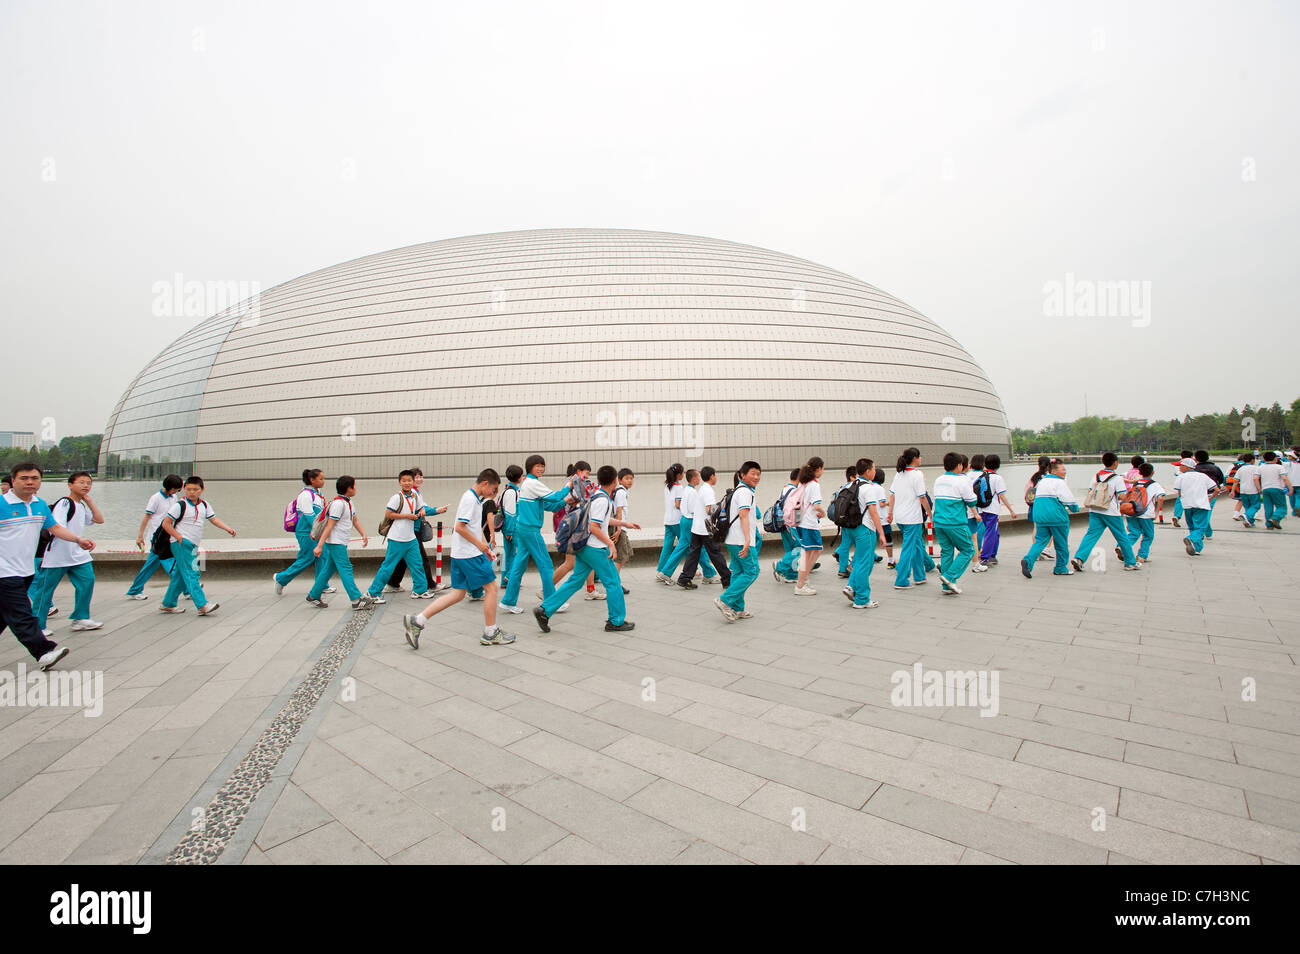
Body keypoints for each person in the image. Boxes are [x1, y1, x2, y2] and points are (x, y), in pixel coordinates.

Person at [404, 469, 518, 647]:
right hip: (469, 554)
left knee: (458, 594)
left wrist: (486, 547)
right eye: (494, 489)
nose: (494, 494)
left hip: (462, 553)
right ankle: (490, 632)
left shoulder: (474, 499)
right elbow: (460, 527)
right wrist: (480, 546)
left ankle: (417, 621)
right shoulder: (470, 500)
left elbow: (473, 528)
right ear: (485, 483)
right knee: (492, 589)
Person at [1, 463, 95, 670]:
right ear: (13, 480)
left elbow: (55, 527)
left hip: (25, 570)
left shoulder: (39, 505)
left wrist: (78, 539)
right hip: (4, 572)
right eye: (24, 478)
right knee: (21, 613)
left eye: (34, 478)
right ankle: (43, 652)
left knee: (3, 615)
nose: (29, 482)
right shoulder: (1, 504)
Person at [533, 465, 639, 634]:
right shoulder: (603, 499)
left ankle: (545, 610)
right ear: (615, 481)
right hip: (595, 548)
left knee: (574, 582)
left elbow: (602, 520)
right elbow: (595, 526)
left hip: (585, 547)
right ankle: (616, 621)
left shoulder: (597, 495)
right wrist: (610, 544)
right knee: (613, 583)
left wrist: (624, 523)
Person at [29, 471, 105, 632]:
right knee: (44, 591)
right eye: (81, 482)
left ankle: (81, 618)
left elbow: (99, 519)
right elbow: (57, 528)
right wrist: (78, 539)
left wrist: (89, 501)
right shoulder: (64, 503)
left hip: (78, 555)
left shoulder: (81, 505)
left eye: (88, 483)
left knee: (87, 582)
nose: (86, 486)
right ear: (70, 485)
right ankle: (38, 626)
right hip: (58, 555)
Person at [500, 455, 572, 614]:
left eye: (542, 466)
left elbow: (549, 504)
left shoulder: (527, 483)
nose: (540, 468)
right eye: (537, 466)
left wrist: (567, 500)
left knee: (518, 566)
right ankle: (552, 602)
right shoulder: (533, 483)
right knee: (546, 565)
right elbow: (554, 496)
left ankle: (508, 601)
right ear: (530, 467)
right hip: (531, 530)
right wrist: (569, 486)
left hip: (523, 529)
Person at [159, 476, 236, 616]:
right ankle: (202, 605)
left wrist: (227, 528)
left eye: (195, 489)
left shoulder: (204, 505)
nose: (192, 492)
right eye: (188, 489)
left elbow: (213, 519)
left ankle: (168, 604)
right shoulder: (179, 505)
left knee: (180, 575)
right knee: (192, 572)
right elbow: (166, 524)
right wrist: (179, 538)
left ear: (202, 490)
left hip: (193, 545)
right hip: (181, 544)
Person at [306, 475, 374, 609]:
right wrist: (319, 546)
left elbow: (355, 520)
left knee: (328, 569)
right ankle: (356, 599)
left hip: (340, 541)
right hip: (336, 542)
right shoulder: (338, 504)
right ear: (349, 488)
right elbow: (329, 526)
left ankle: (313, 595)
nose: (355, 488)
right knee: (346, 568)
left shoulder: (348, 502)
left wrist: (363, 534)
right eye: (354, 486)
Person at [366, 470, 435, 602]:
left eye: (409, 480)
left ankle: (420, 590)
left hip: (410, 538)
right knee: (388, 566)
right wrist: (407, 516)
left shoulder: (415, 495)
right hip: (397, 538)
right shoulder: (396, 497)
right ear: (400, 482)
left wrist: (420, 512)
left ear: (412, 482)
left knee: (417, 564)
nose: (407, 483)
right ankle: (373, 592)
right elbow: (388, 514)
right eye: (404, 481)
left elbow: (421, 508)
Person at [1071, 452, 1139, 572]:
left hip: (1095, 510)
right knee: (1122, 537)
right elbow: (1122, 496)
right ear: (1115, 463)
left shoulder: (1096, 476)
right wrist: (1131, 493)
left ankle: (1079, 558)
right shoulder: (1117, 478)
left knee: (1091, 535)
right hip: (1111, 512)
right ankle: (1130, 563)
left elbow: (1091, 491)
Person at [385, 467, 448, 597]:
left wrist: (435, 510)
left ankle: (393, 583)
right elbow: (421, 510)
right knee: (421, 559)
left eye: (420, 476)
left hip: (410, 530)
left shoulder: (414, 493)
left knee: (403, 560)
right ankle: (429, 585)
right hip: (412, 530)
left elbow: (422, 508)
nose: (419, 479)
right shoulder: (409, 494)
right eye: (416, 477)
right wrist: (437, 510)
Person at [126, 474, 188, 600]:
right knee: (170, 563)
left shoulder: (173, 497)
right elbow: (146, 517)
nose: (177, 491)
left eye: (178, 489)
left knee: (151, 565)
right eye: (176, 489)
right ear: (169, 487)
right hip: (158, 537)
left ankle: (135, 589)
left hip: (168, 535)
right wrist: (140, 536)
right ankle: (188, 587)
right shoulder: (155, 498)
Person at [715, 462, 761, 621]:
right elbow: (743, 515)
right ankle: (724, 600)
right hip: (741, 540)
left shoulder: (738, 490)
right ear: (742, 474)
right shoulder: (745, 492)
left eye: (758, 474)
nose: (756, 477)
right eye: (752, 473)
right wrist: (748, 539)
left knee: (739, 572)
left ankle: (738, 608)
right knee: (752, 571)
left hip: (732, 539)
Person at [275, 469, 331, 595]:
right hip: (306, 532)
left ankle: (322, 584)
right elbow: (309, 515)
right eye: (321, 479)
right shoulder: (305, 495)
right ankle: (280, 579)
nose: (323, 481)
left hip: (315, 531)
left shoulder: (317, 493)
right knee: (307, 558)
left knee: (323, 556)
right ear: (312, 480)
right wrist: (320, 530)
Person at [841, 459, 888, 609]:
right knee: (864, 563)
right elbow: (873, 512)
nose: (875, 471)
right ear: (868, 471)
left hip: (850, 528)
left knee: (860, 561)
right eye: (874, 468)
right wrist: (881, 533)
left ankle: (851, 586)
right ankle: (861, 599)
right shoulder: (868, 488)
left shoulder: (849, 485)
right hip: (865, 529)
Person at [1020, 459, 1078, 578]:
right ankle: (1060, 568)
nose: (1065, 472)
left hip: (1040, 517)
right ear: (1054, 471)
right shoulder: (1059, 483)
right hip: (1056, 517)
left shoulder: (1042, 482)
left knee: (1040, 541)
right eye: (1063, 469)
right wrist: (1075, 508)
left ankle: (1028, 560)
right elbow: (1070, 501)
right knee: (1061, 543)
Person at [677, 466, 732, 590]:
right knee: (715, 553)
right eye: (715, 475)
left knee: (694, 553)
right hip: (705, 529)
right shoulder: (708, 490)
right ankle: (727, 579)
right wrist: (721, 507)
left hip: (697, 527)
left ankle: (685, 578)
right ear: (712, 476)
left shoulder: (702, 489)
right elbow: (709, 510)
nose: (716, 477)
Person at [931, 453, 978, 595]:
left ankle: (947, 587)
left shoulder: (938, 480)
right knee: (968, 550)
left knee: (946, 552)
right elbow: (972, 501)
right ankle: (949, 576)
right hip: (955, 523)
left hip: (939, 522)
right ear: (959, 466)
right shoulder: (961, 481)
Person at [660, 469, 717, 584]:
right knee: (698, 548)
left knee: (687, 547)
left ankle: (665, 572)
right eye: (698, 476)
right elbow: (694, 509)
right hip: (690, 521)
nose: (699, 479)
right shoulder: (692, 492)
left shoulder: (687, 490)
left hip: (684, 521)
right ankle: (708, 574)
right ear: (694, 478)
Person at [887, 448, 931, 589]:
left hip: (900, 517)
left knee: (917, 545)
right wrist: (930, 514)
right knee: (909, 548)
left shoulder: (899, 474)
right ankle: (901, 580)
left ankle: (919, 576)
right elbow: (922, 497)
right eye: (920, 456)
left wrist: (890, 513)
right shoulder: (917, 475)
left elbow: (892, 495)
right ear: (915, 458)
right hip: (912, 518)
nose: (921, 459)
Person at [975, 454, 1016, 567]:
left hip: (982, 508)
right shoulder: (997, 478)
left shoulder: (982, 476)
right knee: (991, 532)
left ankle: (992, 555)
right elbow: (1002, 496)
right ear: (997, 465)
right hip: (992, 510)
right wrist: (1011, 510)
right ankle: (985, 557)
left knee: (994, 533)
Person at [793, 457, 826, 595]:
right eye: (823, 468)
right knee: (812, 552)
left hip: (801, 522)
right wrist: (823, 513)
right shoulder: (814, 484)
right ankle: (801, 584)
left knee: (809, 552)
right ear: (818, 469)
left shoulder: (802, 483)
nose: (823, 471)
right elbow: (816, 505)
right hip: (809, 525)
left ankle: (804, 579)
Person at [1121, 462, 1164, 563]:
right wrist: (1156, 512)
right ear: (1152, 472)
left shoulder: (1135, 483)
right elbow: (1160, 498)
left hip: (1131, 511)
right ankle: (1141, 556)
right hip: (1146, 514)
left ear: (1139, 472)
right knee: (1148, 535)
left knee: (1134, 532)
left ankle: (1121, 547)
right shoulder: (1155, 484)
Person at [1173, 457, 1217, 555]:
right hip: (1201, 505)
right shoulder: (1203, 476)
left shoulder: (1180, 477)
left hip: (1187, 506)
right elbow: (1216, 489)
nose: (1179, 468)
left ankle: (1197, 549)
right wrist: (1209, 499)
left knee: (1192, 527)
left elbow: (1179, 493)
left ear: (1187, 467)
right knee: (1200, 527)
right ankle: (1190, 539)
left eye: (1181, 466)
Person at [655, 464, 686, 583]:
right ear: (679, 474)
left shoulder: (668, 486)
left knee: (667, 546)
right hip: (677, 520)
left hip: (668, 520)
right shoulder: (679, 487)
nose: (683, 475)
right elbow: (678, 505)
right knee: (685, 545)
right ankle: (693, 569)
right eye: (683, 473)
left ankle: (659, 570)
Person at [771, 468, 802, 583]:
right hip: (790, 524)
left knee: (790, 549)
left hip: (783, 523)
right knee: (798, 548)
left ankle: (791, 575)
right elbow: (797, 509)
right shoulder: (795, 491)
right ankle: (779, 566)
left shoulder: (785, 489)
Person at [498, 465, 523, 591]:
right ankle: (509, 576)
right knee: (520, 553)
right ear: (519, 478)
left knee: (509, 555)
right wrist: (510, 531)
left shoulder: (507, 490)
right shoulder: (511, 492)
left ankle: (505, 580)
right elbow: (511, 513)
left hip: (508, 528)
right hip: (513, 529)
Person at [1193, 451, 1226, 539]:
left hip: (1198, 495)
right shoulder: (1215, 468)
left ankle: (1202, 532)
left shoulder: (1194, 469)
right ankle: (1208, 533)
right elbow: (1222, 480)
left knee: (1199, 514)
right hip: (1212, 494)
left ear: (1195, 458)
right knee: (1207, 514)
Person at [611, 468, 635, 585]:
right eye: (627, 478)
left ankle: (614, 581)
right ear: (620, 480)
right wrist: (619, 529)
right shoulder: (621, 492)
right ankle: (615, 583)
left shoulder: (622, 491)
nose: (630, 481)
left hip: (620, 527)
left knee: (623, 556)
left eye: (631, 478)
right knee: (620, 558)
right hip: (619, 528)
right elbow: (618, 511)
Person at [834, 464, 857, 578]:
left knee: (844, 545)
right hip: (854, 521)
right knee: (861, 545)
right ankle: (852, 566)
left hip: (843, 521)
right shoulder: (856, 488)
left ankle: (842, 568)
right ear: (852, 477)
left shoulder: (841, 489)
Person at [1258, 451, 1292, 529]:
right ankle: (1275, 518)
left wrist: (1259, 488)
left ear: (1264, 459)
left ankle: (1269, 525)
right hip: (1277, 489)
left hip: (1265, 489)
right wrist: (1290, 488)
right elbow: (1284, 478)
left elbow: (1256, 478)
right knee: (1282, 507)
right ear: (1275, 459)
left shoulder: (1261, 467)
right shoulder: (1279, 467)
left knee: (1268, 508)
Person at [1235, 453, 1261, 527]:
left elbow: (1236, 481)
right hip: (1253, 490)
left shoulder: (1241, 469)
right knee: (1256, 505)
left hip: (1243, 490)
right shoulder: (1256, 468)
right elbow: (1256, 479)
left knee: (1247, 506)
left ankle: (1249, 522)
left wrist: (1233, 491)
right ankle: (1245, 515)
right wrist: (1259, 488)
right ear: (1252, 460)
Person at [1170, 449, 1194, 527]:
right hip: (1191, 484)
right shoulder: (1192, 464)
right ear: (1191, 457)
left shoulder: (1178, 465)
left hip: (1181, 485)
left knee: (1180, 500)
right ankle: (1194, 520)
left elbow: (1176, 474)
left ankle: (1176, 516)